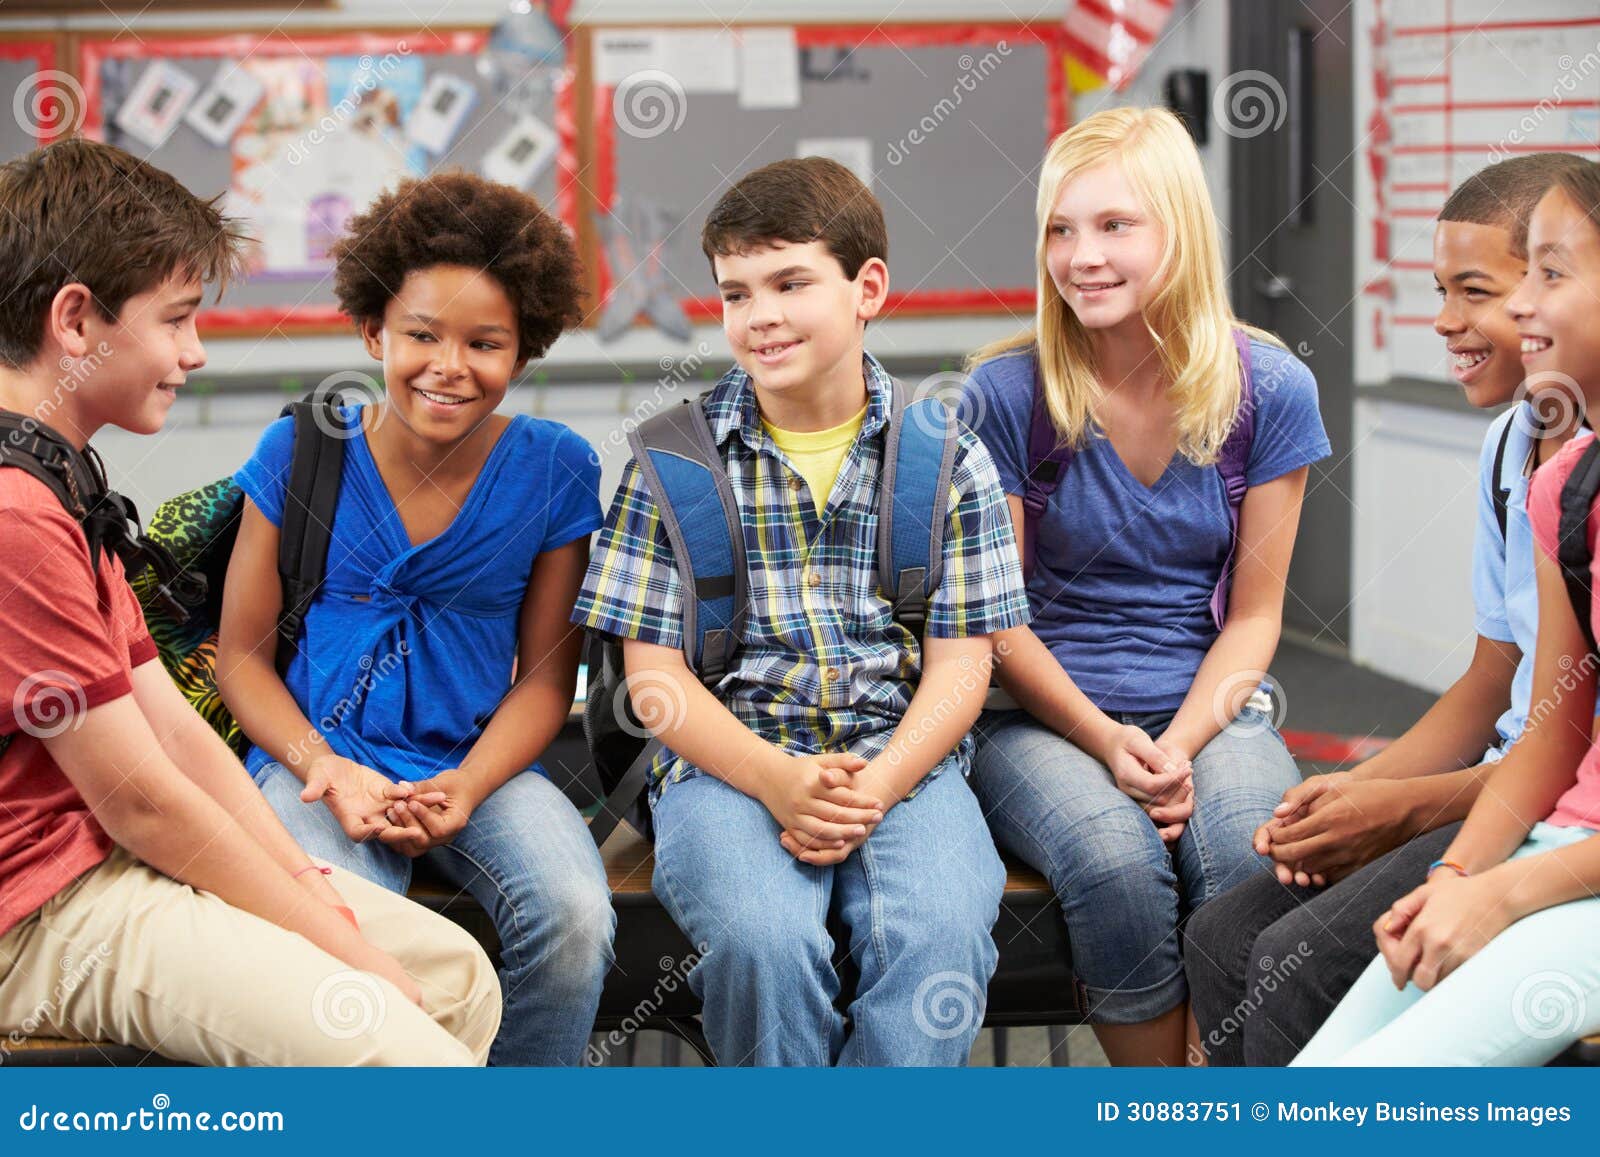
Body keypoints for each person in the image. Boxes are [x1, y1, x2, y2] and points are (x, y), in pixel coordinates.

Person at [0, 138, 499, 1066]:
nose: (193, 353)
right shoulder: (16, 517)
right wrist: (340, 946)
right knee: (395, 1044)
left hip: (106, 859)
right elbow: (142, 802)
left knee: (455, 976)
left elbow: (179, 737)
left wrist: (303, 882)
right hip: (37, 905)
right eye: (177, 320)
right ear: (75, 320)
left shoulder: (62, 480)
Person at [572, 157, 1031, 1065]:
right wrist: (777, 778)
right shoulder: (672, 464)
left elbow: (963, 665)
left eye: (790, 282)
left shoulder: (946, 456)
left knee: (936, 936)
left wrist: (887, 779)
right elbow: (655, 685)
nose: (761, 315)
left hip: (905, 759)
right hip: (725, 763)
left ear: (868, 289)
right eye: (736, 293)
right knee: (761, 942)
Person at [1186, 153, 1591, 1065]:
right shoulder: (1519, 453)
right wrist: (1360, 793)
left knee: (1297, 958)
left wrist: (1408, 810)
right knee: (1223, 933)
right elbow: (1498, 680)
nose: (1447, 320)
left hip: (1554, 814)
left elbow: (1565, 757)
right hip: (1516, 787)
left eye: (1477, 290)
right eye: (1439, 289)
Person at [961, 106, 1330, 1066]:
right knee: (1114, 860)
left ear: (1180, 229)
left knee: (1251, 855)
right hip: (1036, 715)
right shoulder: (1005, 395)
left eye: (1115, 224)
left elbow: (1254, 619)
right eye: (1060, 228)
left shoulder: (1271, 388)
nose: (1081, 255)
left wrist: (1175, 744)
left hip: (1204, 711)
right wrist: (1111, 742)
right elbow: (997, 624)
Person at [217, 172, 611, 1066]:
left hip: (479, 765)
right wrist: (328, 767)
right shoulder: (300, 451)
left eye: (486, 343)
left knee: (579, 919)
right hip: (313, 760)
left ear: (524, 350)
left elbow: (549, 677)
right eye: (421, 335)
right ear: (372, 331)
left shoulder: (555, 468)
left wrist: (467, 785)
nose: (449, 365)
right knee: (357, 942)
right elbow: (239, 659)